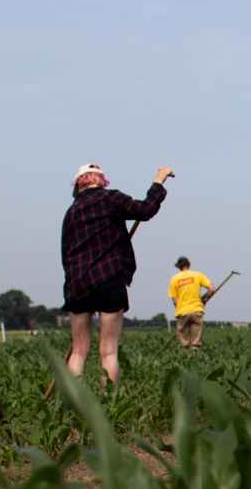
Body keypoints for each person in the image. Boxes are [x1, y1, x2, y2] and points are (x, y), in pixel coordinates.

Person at [62, 162, 172, 388]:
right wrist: (158, 181)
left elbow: (66, 253)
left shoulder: (71, 212)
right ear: (101, 181)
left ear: (78, 185)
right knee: (108, 351)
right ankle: (108, 405)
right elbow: (145, 210)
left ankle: (74, 404)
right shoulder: (111, 199)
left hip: (78, 284)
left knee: (79, 352)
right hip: (108, 279)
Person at [168, 257, 214, 348]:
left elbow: (174, 299)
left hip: (182, 312)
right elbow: (212, 289)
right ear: (189, 265)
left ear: (178, 267)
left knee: (184, 344)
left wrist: (179, 307)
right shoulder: (198, 275)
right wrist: (204, 299)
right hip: (197, 311)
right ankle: (195, 358)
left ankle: (186, 359)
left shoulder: (174, 279)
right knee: (195, 343)